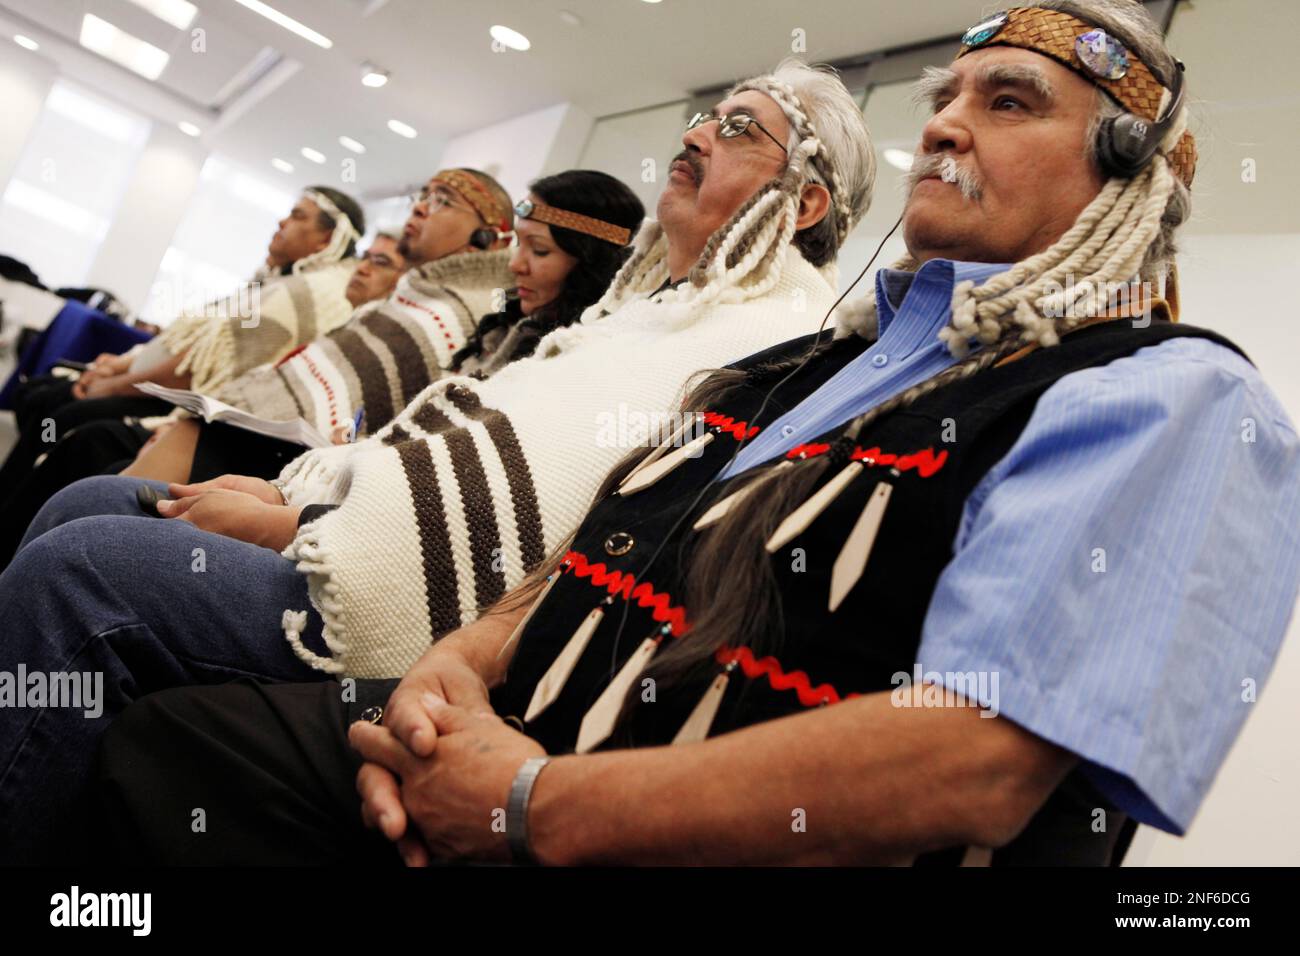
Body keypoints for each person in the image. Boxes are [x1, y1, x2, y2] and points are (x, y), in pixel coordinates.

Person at [79, 1, 1300, 867]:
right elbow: (616, 533)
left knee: (97, 607)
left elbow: (974, 757)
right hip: (507, 745)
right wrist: (462, 662)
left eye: (1008, 100)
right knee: (154, 754)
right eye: (943, 100)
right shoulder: (804, 359)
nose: (941, 127)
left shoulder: (1171, 397)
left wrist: (528, 801)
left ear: (1130, 173)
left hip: (610, 825)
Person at [0, 59, 878, 863]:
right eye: (708, 117)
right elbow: (431, 438)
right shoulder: (651, 311)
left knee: (82, 572)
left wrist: (291, 526)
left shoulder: (768, 345)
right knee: (86, 502)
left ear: (802, 204)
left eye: (739, 130)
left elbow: (555, 520)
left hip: (410, 614)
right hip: (332, 532)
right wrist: (283, 488)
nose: (694, 135)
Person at [0, 171, 512, 568]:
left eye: (444, 201)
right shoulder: (403, 299)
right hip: (234, 427)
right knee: (78, 467)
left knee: (84, 464)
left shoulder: (464, 318)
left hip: (280, 459)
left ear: (490, 236)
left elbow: (370, 417)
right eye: (423, 195)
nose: (421, 207)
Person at [0, 187, 364, 501]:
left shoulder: (301, 296)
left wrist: (109, 384)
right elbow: (186, 343)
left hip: (173, 402)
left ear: (327, 240)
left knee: (67, 420)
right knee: (44, 392)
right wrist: (119, 365)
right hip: (152, 386)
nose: (281, 223)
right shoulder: (273, 284)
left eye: (297, 216)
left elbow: (192, 373)